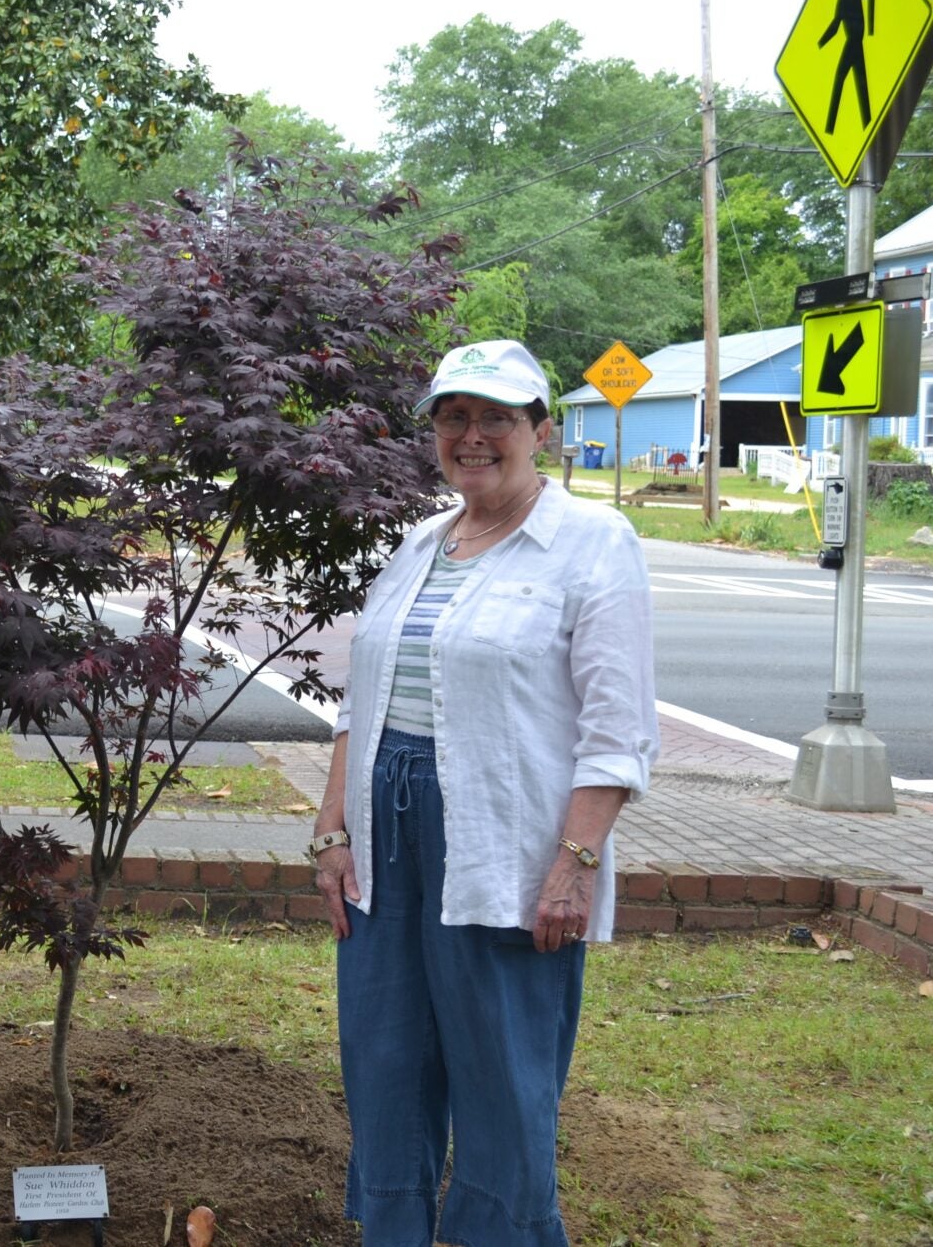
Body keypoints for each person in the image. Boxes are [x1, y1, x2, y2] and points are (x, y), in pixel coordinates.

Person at [310, 338, 658, 1246]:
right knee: (384, 1056)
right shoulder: (420, 543)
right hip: (383, 843)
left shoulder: (592, 543)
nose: (473, 436)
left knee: (504, 1071)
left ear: (541, 430)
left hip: (504, 840)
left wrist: (575, 861)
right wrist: (331, 830)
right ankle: (393, 1230)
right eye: (454, 417)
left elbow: (617, 729)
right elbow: (360, 701)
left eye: (497, 417)